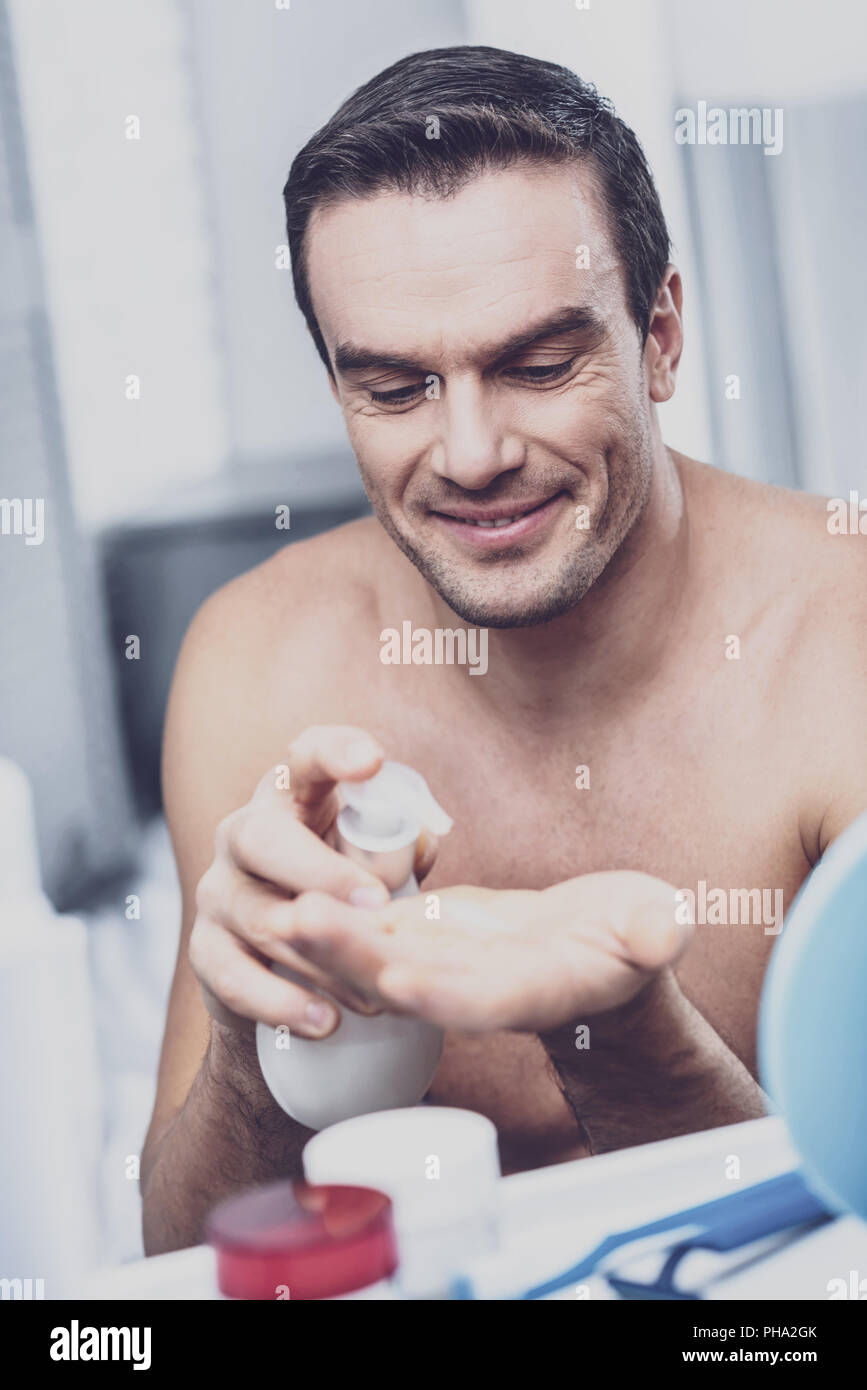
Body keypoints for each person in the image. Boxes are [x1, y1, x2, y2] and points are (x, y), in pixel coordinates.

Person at [141, 46, 867, 1254]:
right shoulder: (254, 661)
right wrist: (253, 1034)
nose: (472, 453)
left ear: (662, 334)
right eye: (393, 388)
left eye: (537, 366)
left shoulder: (846, 638)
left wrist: (629, 1030)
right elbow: (177, 1262)